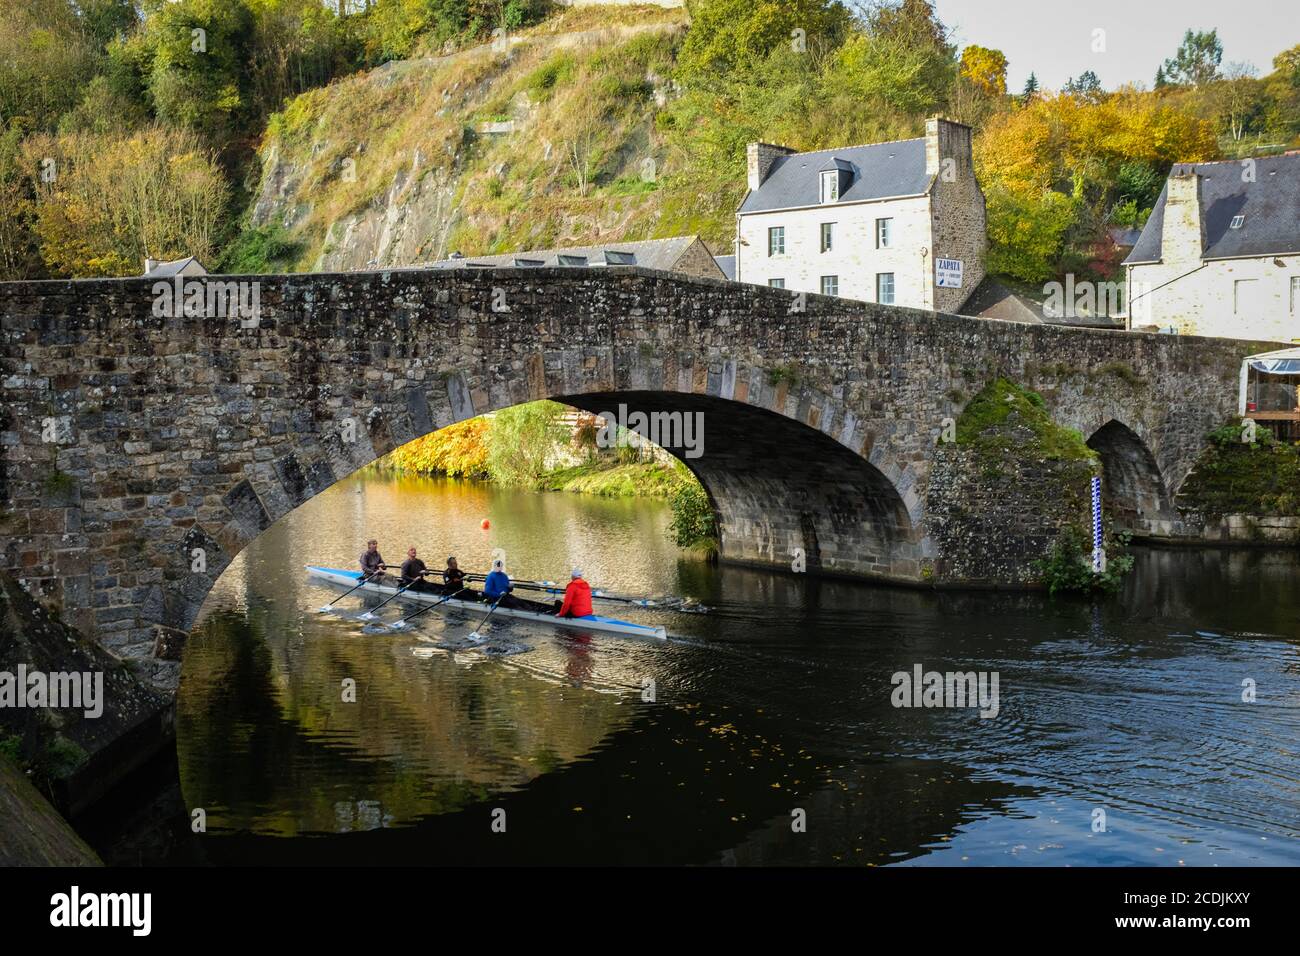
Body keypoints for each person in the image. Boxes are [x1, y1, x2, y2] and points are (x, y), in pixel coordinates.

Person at [482, 559, 552, 613]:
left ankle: (534, 611)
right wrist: (498, 594)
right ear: (494, 566)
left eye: (500, 566)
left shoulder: (504, 576)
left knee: (521, 602)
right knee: (517, 607)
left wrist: (510, 588)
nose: (499, 568)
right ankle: (531, 614)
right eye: (498, 566)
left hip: (506, 596)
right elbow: (487, 591)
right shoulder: (491, 576)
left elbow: (508, 589)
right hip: (496, 599)